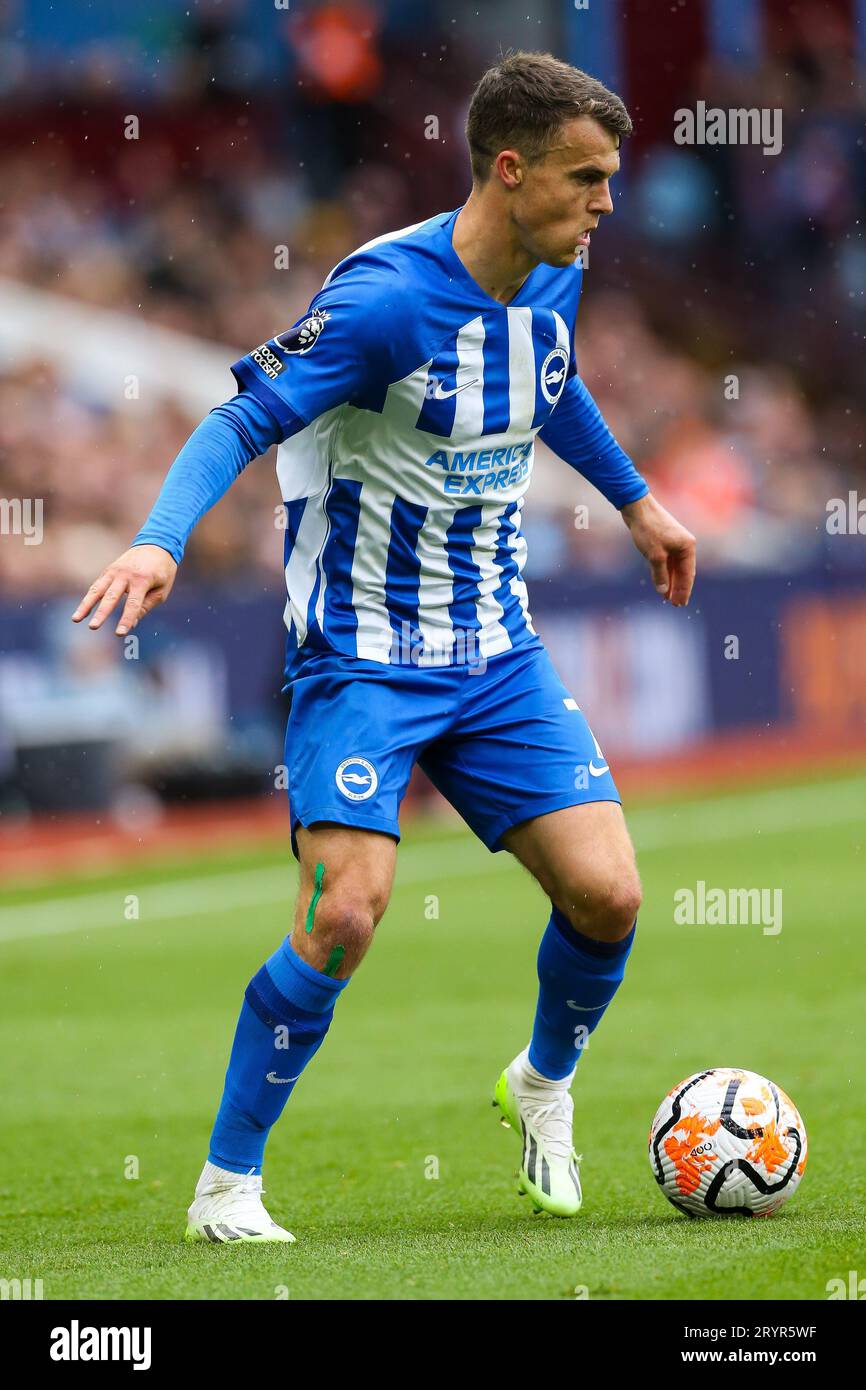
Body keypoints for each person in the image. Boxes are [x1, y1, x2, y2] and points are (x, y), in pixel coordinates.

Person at [73, 51, 696, 1242]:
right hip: (360, 653)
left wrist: (634, 500)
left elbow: (545, 381)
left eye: (609, 180)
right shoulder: (381, 302)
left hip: (495, 648)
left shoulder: (554, 268)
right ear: (508, 171)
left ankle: (541, 1085)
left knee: (610, 894)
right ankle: (226, 1189)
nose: (606, 203)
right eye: (586, 179)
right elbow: (240, 413)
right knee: (345, 912)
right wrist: (159, 541)